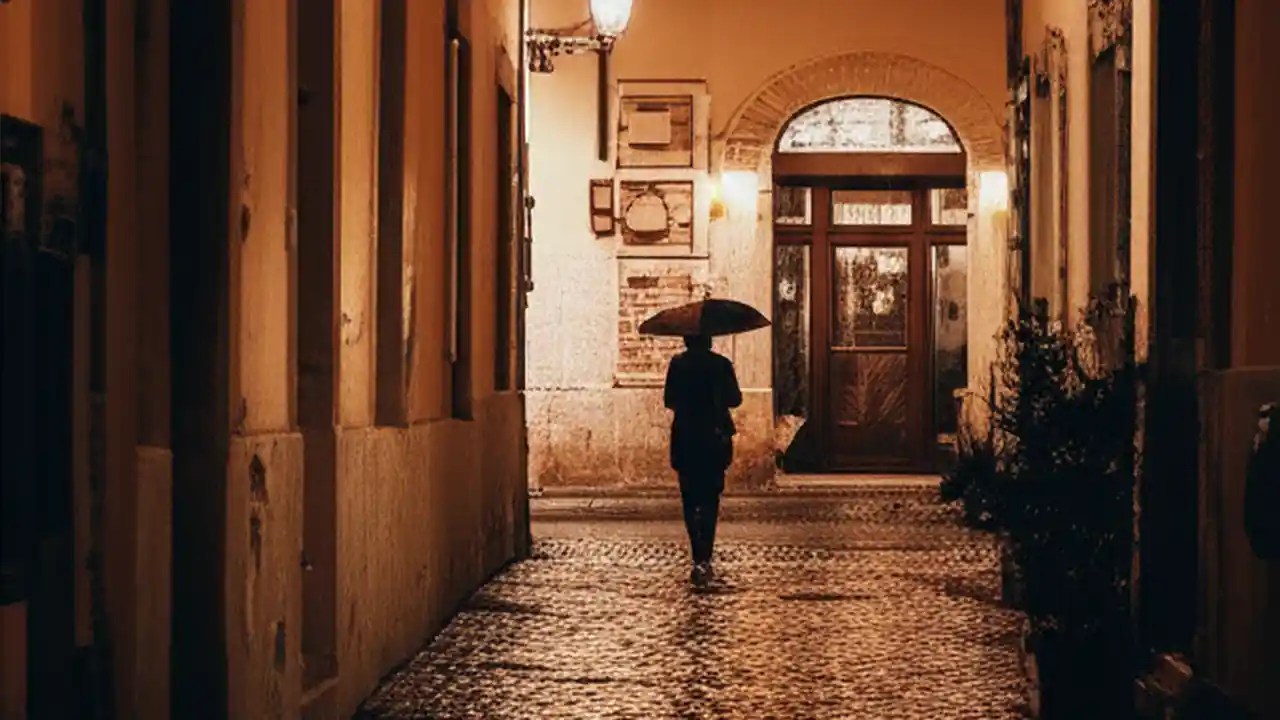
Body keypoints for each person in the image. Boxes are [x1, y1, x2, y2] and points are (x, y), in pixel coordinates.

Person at [663, 334, 742, 585]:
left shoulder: (677, 364)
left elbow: (669, 400)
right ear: (709, 340)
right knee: (710, 498)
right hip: (713, 436)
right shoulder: (721, 365)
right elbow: (735, 399)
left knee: (689, 498)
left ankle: (696, 551)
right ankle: (705, 554)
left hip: (686, 436)